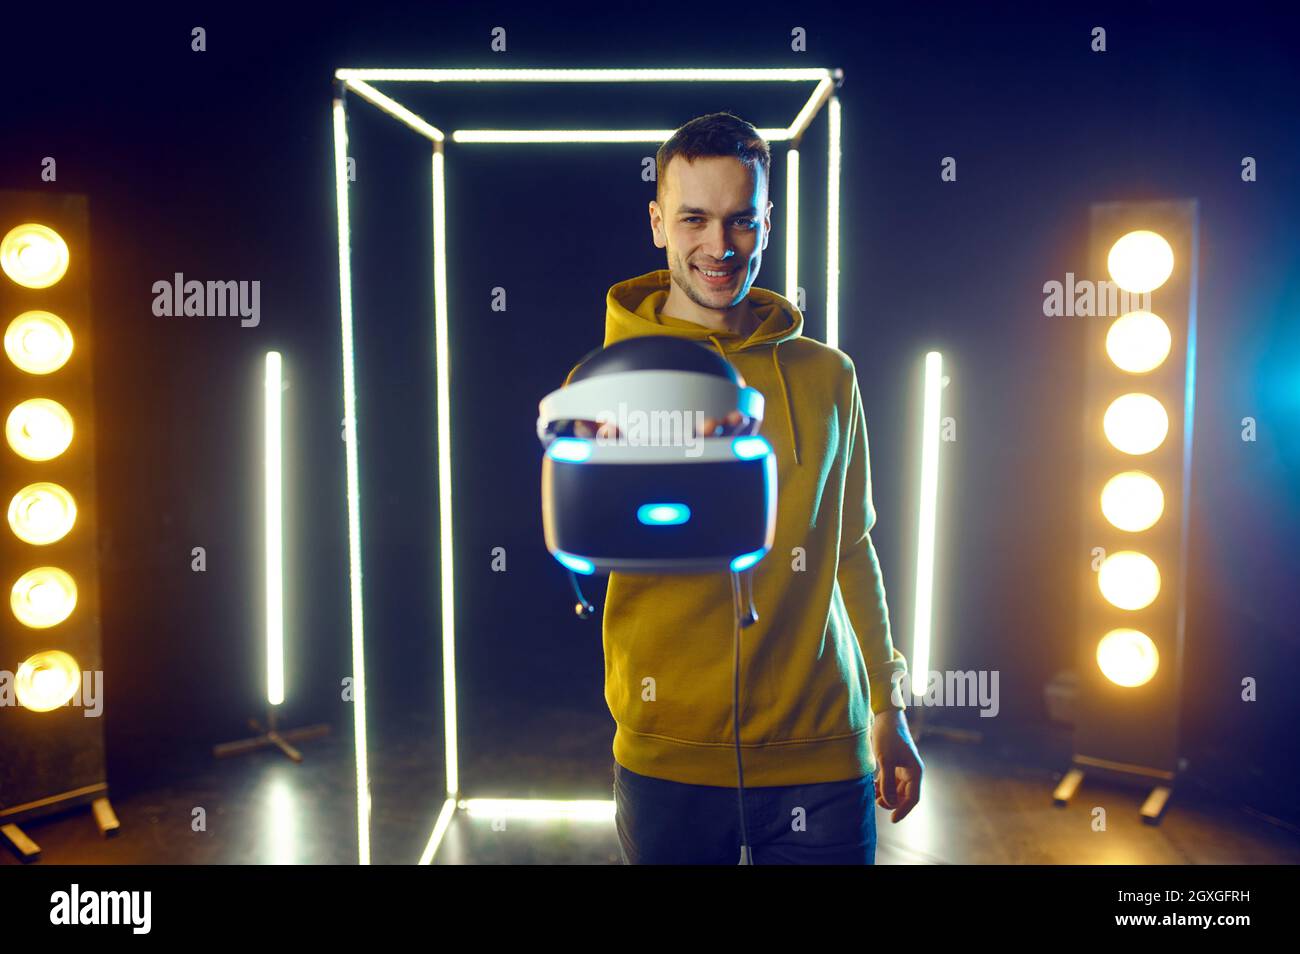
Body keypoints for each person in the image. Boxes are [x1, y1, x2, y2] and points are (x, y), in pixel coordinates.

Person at [569, 112, 923, 864]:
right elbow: (586, 568)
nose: (718, 246)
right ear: (659, 221)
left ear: (766, 221)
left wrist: (889, 705)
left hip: (823, 752)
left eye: (739, 220)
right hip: (667, 756)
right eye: (694, 218)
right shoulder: (601, 387)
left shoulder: (830, 376)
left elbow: (851, 547)